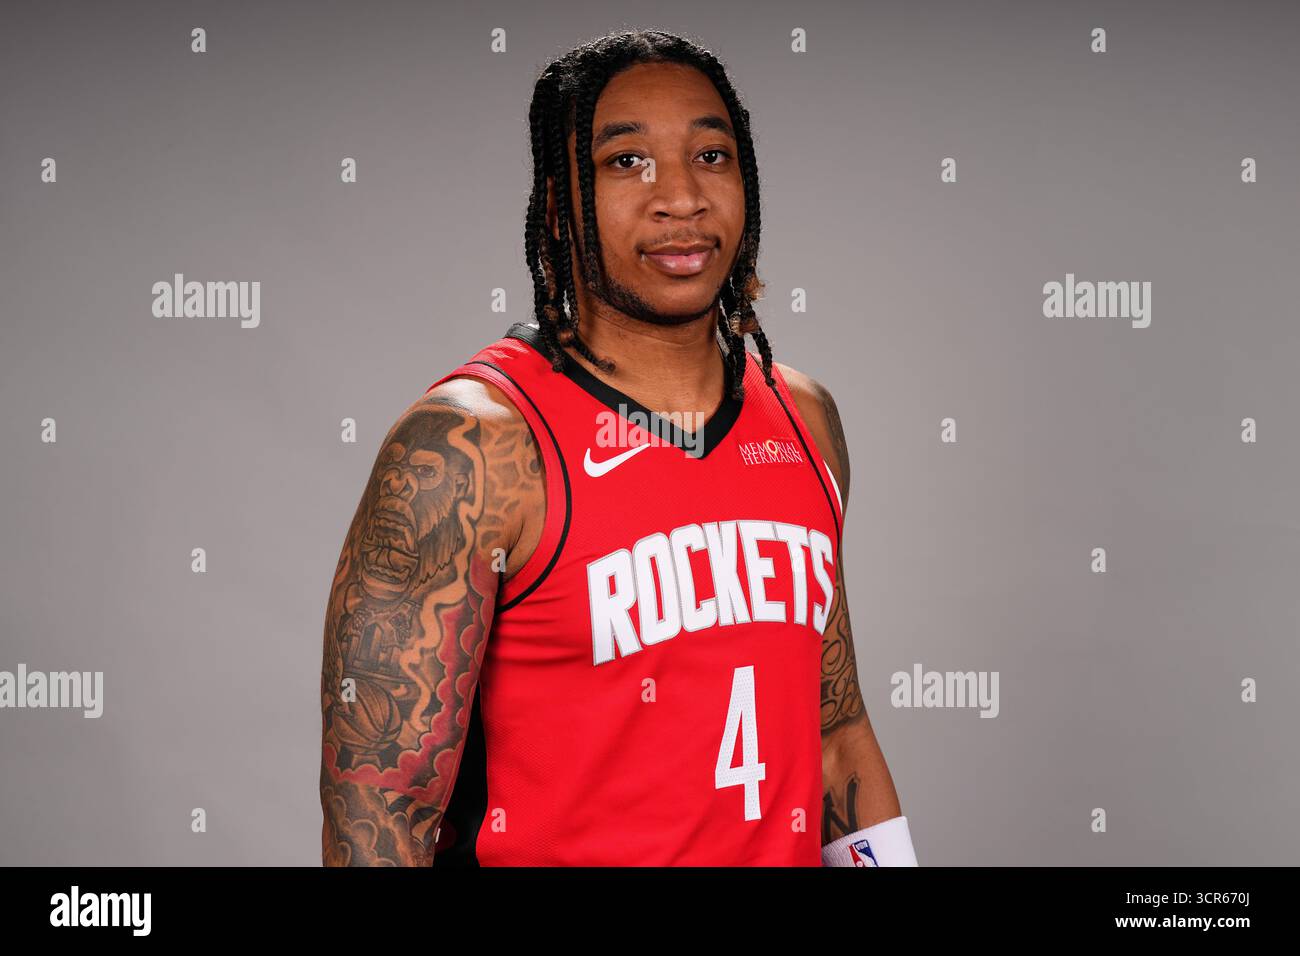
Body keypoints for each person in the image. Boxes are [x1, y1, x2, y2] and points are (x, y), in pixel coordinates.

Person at [319, 29, 916, 867]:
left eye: (711, 155)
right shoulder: (476, 447)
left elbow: (836, 732)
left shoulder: (804, 420)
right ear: (561, 203)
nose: (680, 196)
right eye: (626, 162)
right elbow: (381, 815)